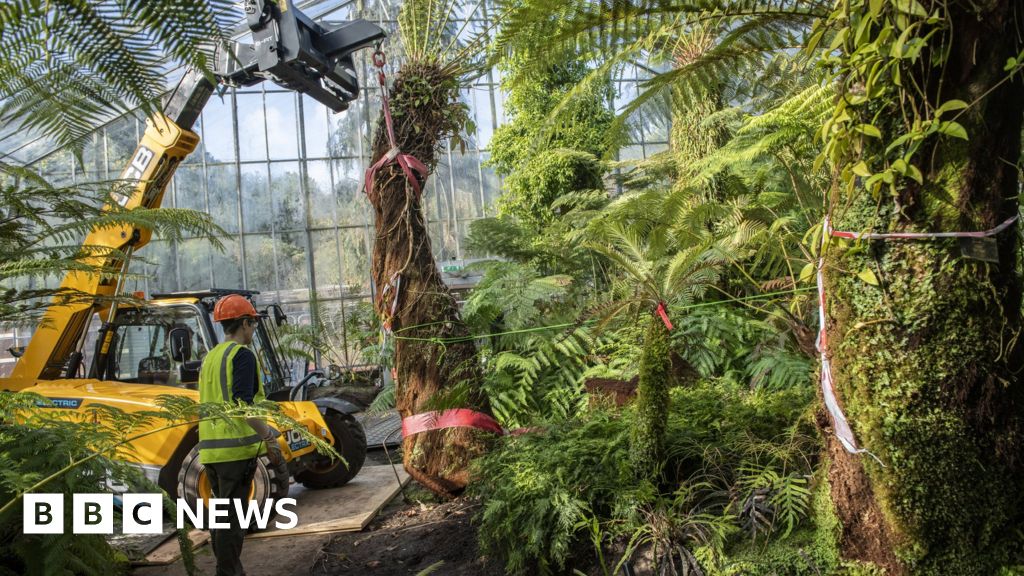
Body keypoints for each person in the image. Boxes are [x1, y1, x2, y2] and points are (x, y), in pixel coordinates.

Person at [197, 294, 287, 576]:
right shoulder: (242, 355)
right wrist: (268, 437)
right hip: (234, 453)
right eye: (254, 324)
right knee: (232, 520)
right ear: (245, 323)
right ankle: (229, 572)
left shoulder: (210, 357)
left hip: (211, 452)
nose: (254, 329)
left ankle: (228, 569)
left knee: (222, 517)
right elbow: (243, 405)